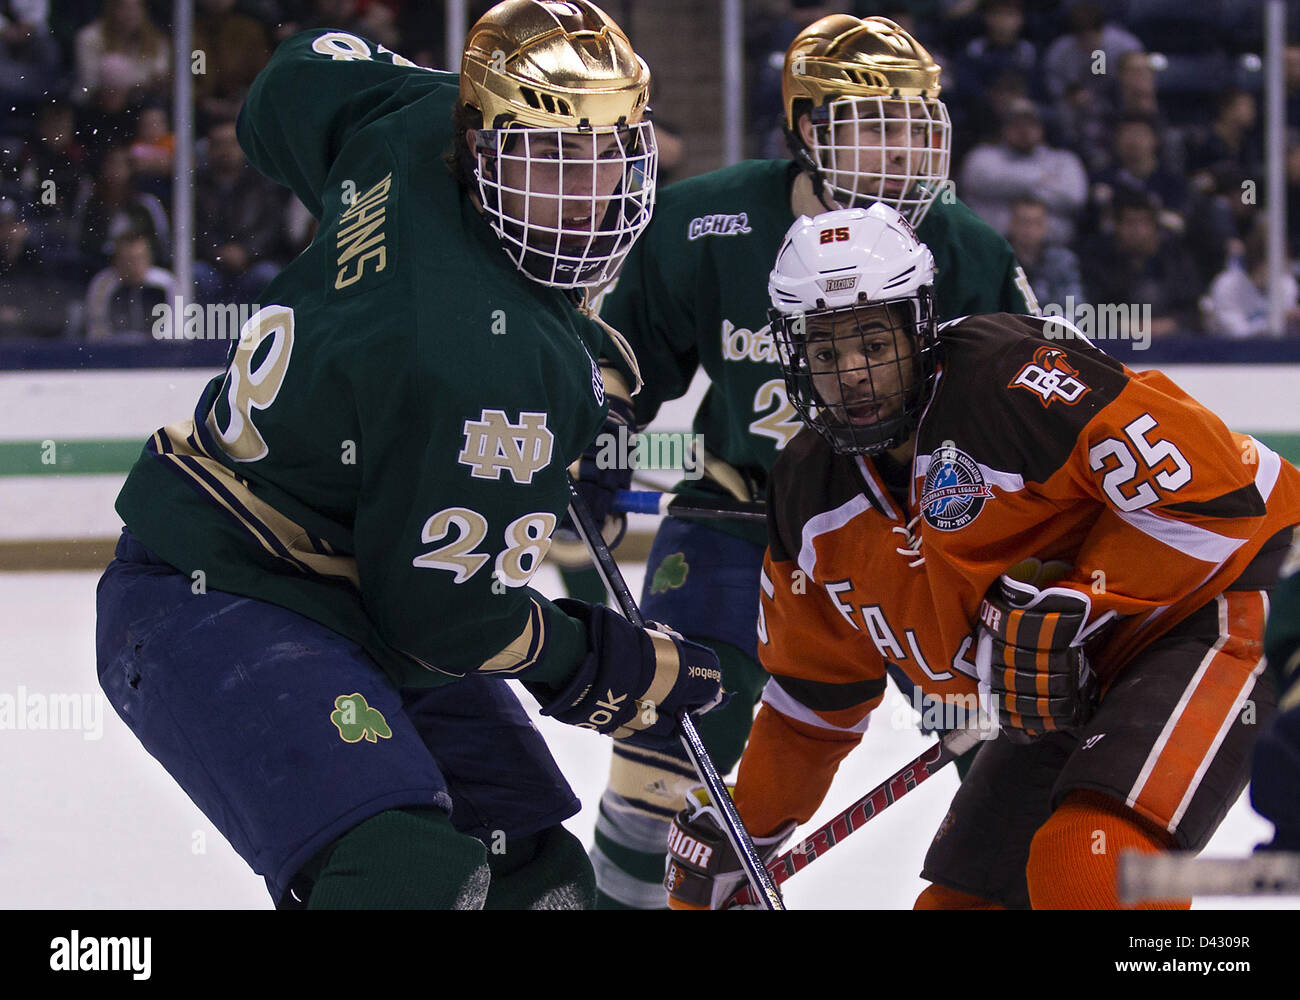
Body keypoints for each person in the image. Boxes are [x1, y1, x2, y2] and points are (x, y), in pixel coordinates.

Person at [94, 0, 723, 911]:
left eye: (607, 152)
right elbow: (449, 621)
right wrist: (597, 661)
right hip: (219, 592)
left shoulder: (414, 124)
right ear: (483, 150)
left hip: (358, 590)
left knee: (534, 880)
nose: (588, 191)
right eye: (549, 156)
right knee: (408, 875)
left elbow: (287, 87)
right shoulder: (486, 362)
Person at [664, 204, 1300, 910]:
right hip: (1067, 680)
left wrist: (1084, 601)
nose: (852, 374)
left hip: (1222, 599)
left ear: (918, 328)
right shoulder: (806, 496)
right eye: (825, 352)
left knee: (1089, 865)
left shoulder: (1013, 379)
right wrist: (742, 829)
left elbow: (1228, 499)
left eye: (874, 343)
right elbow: (815, 700)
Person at [583, 13, 1038, 911]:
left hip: (910, 539)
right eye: (869, 124)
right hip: (737, 521)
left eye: (912, 125)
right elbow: (613, 366)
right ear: (802, 129)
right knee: (661, 752)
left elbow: (1027, 413)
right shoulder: (702, 222)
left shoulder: (967, 247)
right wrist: (592, 454)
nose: (897, 150)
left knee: (1015, 761)